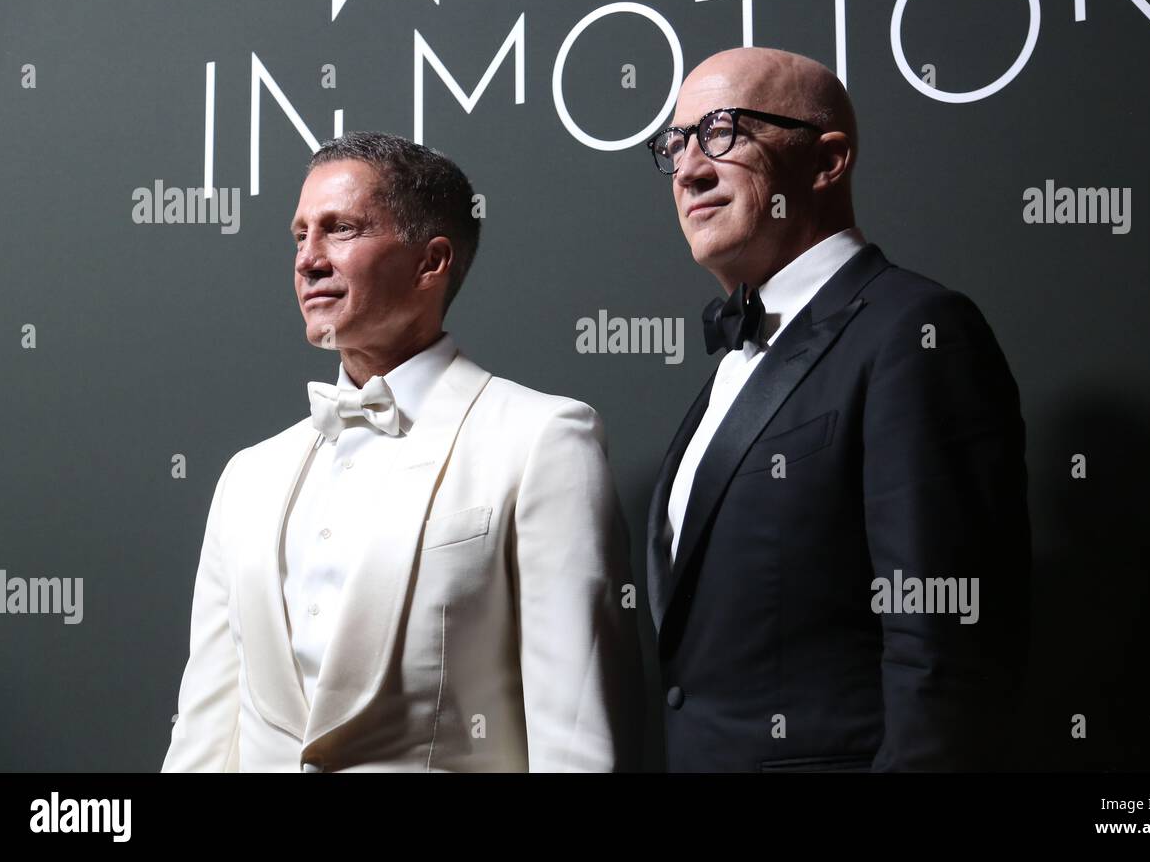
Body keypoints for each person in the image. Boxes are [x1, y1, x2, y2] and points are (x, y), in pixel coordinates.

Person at [163, 131, 640, 772]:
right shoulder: (247, 476)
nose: (309, 259)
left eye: (341, 229)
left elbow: (575, 736)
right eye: (299, 235)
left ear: (431, 261)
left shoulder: (544, 441)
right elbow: (206, 730)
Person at [643, 48, 1031, 771]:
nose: (691, 168)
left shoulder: (915, 331)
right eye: (675, 144)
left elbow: (945, 645)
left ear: (826, 163)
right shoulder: (736, 359)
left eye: (723, 132)